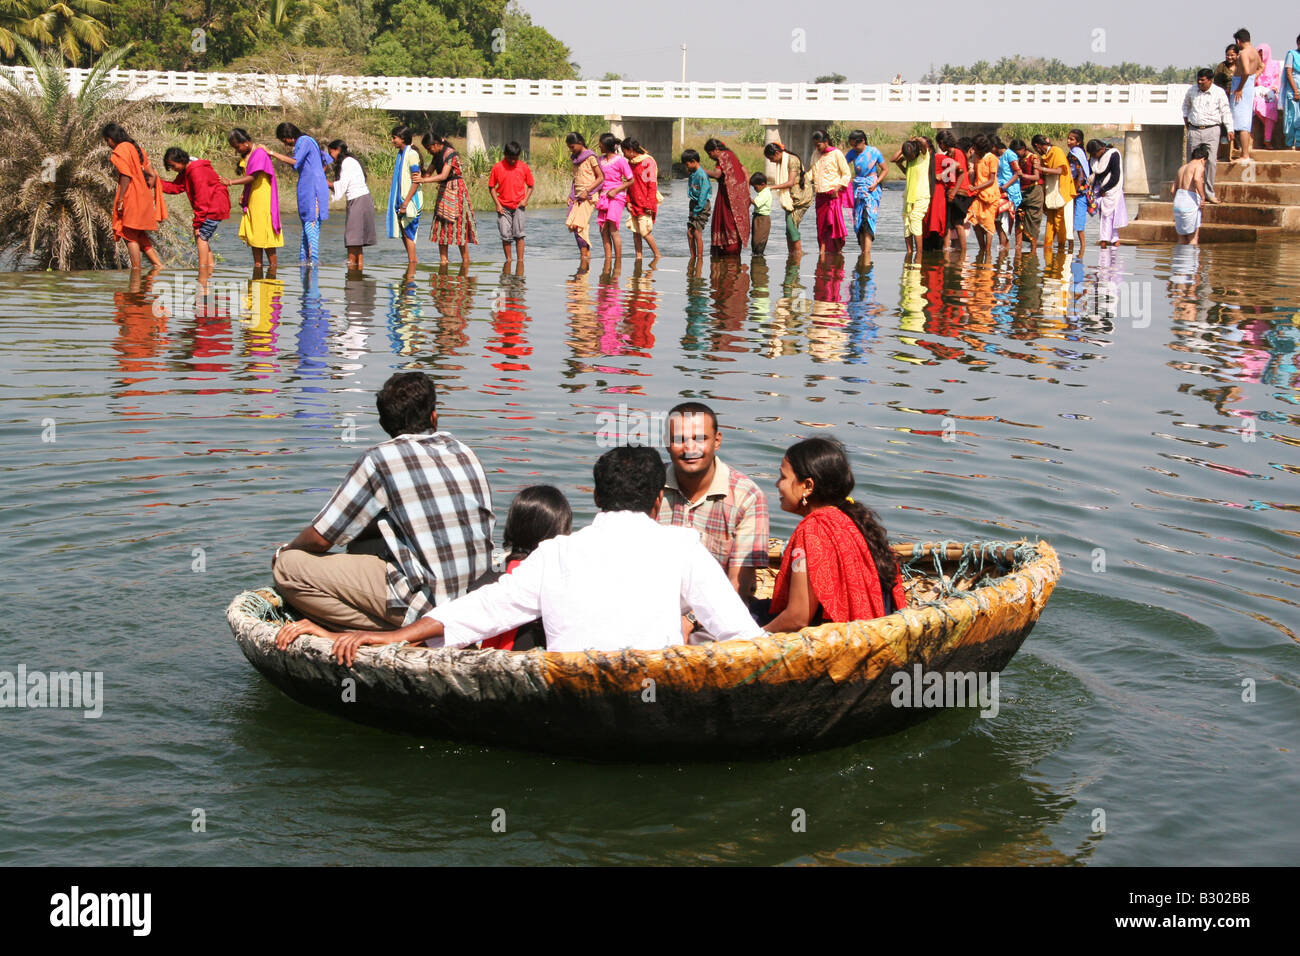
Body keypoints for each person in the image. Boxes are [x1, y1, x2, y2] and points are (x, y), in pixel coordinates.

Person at [278, 445, 763, 662]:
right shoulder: (680, 543)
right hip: (655, 693)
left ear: (594, 499)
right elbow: (740, 634)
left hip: (573, 698)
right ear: (659, 500)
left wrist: (386, 637)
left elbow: (477, 612)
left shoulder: (553, 554)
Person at [270, 371, 495, 632]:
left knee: (288, 569)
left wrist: (287, 551)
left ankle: (389, 631)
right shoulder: (464, 451)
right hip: (477, 597)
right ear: (434, 416)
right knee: (363, 538)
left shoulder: (379, 459)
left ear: (383, 423)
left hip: (431, 604)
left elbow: (323, 536)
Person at [763, 437, 907, 632]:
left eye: (783, 477)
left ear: (807, 486)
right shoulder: (852, 517)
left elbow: (797, 618)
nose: (777, 484)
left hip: (828, 635)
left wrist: (756, 638)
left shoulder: (812, 529)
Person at [657, 402, 770, 603]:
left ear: (717, 441)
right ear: (667, 443)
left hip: (714, 614)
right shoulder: (650, 485)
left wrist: (692, 620)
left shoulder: (747, 496)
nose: (690, 448)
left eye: (700, 439)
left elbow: (739, 585)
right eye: (679, 440)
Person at [476, 486, 572, 651]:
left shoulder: (498, 569)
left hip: (493, 658)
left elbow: (474, 593)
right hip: (532, 659)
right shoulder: (556, 576)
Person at [262, 123, 331, 265]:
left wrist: (271, 153)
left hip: (313, 189)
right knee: (307, 225)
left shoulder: (304, 141)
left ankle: (313, 262)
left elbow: (295, 162)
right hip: (307, 188)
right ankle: (305, 262)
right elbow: (325, 160)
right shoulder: (306, 142)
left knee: (311, 225)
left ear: (288, 137)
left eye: (283, 140)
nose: (285, 144)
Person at [103, 123, 165, 270]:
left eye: (107, 141)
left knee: (129, 234)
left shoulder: (121, 149)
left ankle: (136, 270)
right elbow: (152, 175)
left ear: (111, 138)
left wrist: (121, 198)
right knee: (139, 235)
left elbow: (125, 175)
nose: (107, 144)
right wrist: (144, 188)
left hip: (132, 195)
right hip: (143, 195)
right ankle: (158, 266)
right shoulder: (136, 148)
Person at [222, 128, 281, 276]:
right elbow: (249, 181)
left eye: (237, 147)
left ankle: (273, 270)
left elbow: (254, 177)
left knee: (265, 235)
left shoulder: (259, 153)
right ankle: (258, 267)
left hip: (263, 198)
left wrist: (230, 182)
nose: (236, 151)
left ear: (245, 142)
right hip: (253, 198)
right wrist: (244, 194)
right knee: (255, 234)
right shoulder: (249, 154)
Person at [160, 147, 230, 272]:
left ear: (181, 160)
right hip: (212, 206)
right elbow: (175, 187)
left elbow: (201, 199)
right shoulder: (187, 170)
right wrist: (155, 182)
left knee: (201, 237)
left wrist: (197, 223)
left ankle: (202, 271)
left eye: (173, 165)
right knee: (202, 237)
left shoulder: (196, 171)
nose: (172, 169)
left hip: (214, 206)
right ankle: (209, 269)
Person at [421, 132, 477, 266]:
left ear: (435, 145)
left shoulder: (451, 154)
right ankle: (443, 261)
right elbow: (428, 173)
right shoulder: (436, 156)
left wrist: (424, 180)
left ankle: (465, 261)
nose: (429, 152)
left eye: (429, 148)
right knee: (441, 227)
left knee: (459, 227)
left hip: (456, 193)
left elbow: (443, 175)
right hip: (443, 193)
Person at [1183, 68, 1234, 204]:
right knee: (1191, 161)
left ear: (1210, 80)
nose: (1200, 82)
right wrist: (1187, 123)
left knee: (1211, 161)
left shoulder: (1219, 92)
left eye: (1203, 80)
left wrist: (1229, 128)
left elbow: (1225, 111)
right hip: (1194, 129)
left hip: (1212, 129)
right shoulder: (1192, 91)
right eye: (1198, 80)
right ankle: (1191, 192)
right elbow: (1186, 107)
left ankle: (1209, 192)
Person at [326, 140, 377, 271]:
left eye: (331, 152)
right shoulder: (350, 161)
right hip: (361, 199)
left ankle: (353, 271)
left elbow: (341, 185)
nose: (330, 156)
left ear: (337, 150)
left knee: (352, 239)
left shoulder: (347, 162)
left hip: (358, 200)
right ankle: (357, 271)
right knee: (356, 241)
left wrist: (323, 181)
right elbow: (342, 186)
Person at [487, 141, 534, 267]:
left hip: (519, 206)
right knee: (505, 235)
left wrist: (525, 200)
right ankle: (508, 261)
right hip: (503, 207)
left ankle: (520, 262)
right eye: (510, 158)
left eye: (515, 158)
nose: (513, 161)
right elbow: (491, 187)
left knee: (519, 235)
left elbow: (531, 186)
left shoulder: (523, 167)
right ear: (504, 155)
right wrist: (497, 204)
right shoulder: (497, 167)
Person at [763, 141, 813, 257]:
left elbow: (790, 182)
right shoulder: (783, 161)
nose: (771, 161)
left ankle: (798, 253)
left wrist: (771, 187)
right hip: (790, 199)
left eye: (770, 158)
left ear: (776, 153)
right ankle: (792, 254)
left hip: (801, 198)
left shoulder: (792, 160)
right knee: (789, 229)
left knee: (791, 227)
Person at [844, 129, 887, 262]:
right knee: (859, 222)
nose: (854, 148)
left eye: (856, 145)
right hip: (858, 188)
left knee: (868, 219)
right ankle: (863, 251)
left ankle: (867, 254)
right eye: (852, 146)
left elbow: (885, 169)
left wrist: (877, 182)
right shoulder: (852, 153)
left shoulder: (874, 152)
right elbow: (843, 166)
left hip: (871, 188)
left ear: (862, 141)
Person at [808, 129, 852, 258]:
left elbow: (846, 174)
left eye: (819, 145)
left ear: (826, 142)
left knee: (833, 225)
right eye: (815, 145)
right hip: (820, 196)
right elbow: (812, 172)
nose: (817, 148)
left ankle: (839, 253)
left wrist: (838, 188)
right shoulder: (815, 154)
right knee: (821, 227)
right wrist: (803, 178)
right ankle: (822, 253)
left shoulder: (836, 154)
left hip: (833, 195)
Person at [702, 138, 750, 255]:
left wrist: (702, 170)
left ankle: (727, 250)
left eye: (710, 153)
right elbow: (745, 170)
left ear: (716, 150)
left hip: (727, 197)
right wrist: (746, 190)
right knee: (736, 222)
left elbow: (717, 174)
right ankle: (734, 252)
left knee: (727, 221)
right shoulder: (732, 155)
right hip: (739, 196)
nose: (710, 156)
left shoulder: (722, 156)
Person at [387, 125, 423, 265]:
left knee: (410, 235)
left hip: (409, 202)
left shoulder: (411, 154)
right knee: (405, 235)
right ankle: (410, 266)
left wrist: (406, 202)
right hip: (401, 202)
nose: (392, 140)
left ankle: (412, 267)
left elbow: (416, 180)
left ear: (402, 138)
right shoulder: (401, 154)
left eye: (394, 137)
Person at [594, 132, 633, 262]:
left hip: (617, 197)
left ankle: (618, 260)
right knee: (603, 229)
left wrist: (616, 190)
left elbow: (630, 180)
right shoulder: (599, 160)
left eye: (601, 144)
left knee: (613, 228)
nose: (599, 147)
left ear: (607, 145)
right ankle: (608, 259)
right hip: (603, 197)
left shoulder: (621, 161)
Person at [1034, 134, 1076, 252]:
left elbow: (1060, 170)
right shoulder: (1044, 156)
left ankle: (1062, 250)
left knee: (1060, 221)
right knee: (1050, 222)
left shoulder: (1056, 151)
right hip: (1051, 192)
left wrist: (1041, 169)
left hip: (1062, 191)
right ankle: (1048, 248)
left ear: (1038, 146)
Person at [622, 138, 660, 261]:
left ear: (631, 150)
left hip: (645, 202)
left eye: (624, 152)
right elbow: (628, 183)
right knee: (635, 231)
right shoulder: (630, 163)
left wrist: (649, 205)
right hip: (634, 201)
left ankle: (657, 255)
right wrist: (627, 201)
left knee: (644, 231)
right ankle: (639, 256)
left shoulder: (647, 162)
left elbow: (652, 184)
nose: (624, 155)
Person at [933, 130, 971, 254]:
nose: (939, 147)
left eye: (939, 144)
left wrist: (953, 192)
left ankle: (963, 250)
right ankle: (947, 248)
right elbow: (950, 175)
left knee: (958, 222)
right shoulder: (949, 154)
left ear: (943, 143)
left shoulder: (957, 153)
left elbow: (960, 172)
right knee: (948, 223)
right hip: (951, 190)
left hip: (958, 192)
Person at [565, 132, 601, 262]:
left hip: (589, 196)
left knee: (578, 225)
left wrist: (588, 191)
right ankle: (585, 254)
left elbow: (601, 177)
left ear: (580, 143)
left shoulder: (591, 157)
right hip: (577, 196)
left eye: (572, 147)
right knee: (575, 226)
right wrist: (571, 195)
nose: (571, 150)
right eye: (569, 147)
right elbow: (575, 179)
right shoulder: (575, 158)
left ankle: (584, 255)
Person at [892, 137, 930, 258]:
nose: (908, 158)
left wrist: (916, 139)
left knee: (915, 221)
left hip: (921, 196)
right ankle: (909, 252)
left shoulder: (923, 157)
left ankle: (919, 254)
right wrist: (904, 147)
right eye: (906, 156)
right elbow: (893, 159)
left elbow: (924, 144)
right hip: (908, 196)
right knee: (907, 223)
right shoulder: (909, 160)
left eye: (909, 155)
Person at [1231, 27, 1263, 164]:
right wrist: (1253, 79)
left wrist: (1239, 88)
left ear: (1238, 41)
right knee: (1244, 121)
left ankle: (1244, 154)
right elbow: (1262, 66)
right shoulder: (1255, 52)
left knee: (1241, 123)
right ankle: (1244, 153)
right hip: (1247, 85)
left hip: (1242, 87)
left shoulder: (1244, 53)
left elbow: (1245, 71)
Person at [963, 134, 1000, 255]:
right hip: (978, 194)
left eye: (975, 147)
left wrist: (976, 187)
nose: (974, 149)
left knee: (988, 223)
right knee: (974, 219)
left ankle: (987, 250)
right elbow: (974, 173)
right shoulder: (976, 157)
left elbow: (991, 180)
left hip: (990, 195)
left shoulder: (992, 158)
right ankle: (982, 248)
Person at [1086, 139, 1127, 247]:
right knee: (1104, 217)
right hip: (1100, 191)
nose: (1094, 156)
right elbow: (1094, 174)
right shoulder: (1094, 159)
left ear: (1102, 149)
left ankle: (1107, 241)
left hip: (1111, 191)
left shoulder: (1113, 154)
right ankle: (1110, 241)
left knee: (1111, 217)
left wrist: (1104, 189)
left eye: (1095, 153)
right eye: (1092, 154)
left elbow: (1115, 176)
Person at [1171, 144, 1210, 245]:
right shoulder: (1199, 166)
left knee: (1181, 239)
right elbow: (1197, 179)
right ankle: (1191, 260)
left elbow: (1172, 190)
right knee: (1193, 238)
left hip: (1177, 203)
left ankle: (1179, 260)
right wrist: (1203, 196)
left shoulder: (1182, 168)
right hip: (1190, 201)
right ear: (1203, 159)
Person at [1011, 138, 1042, 254]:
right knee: (1019, 218)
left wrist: (1022, 175)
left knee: (1033, 221)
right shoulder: (1017, 159)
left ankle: (1033, 248)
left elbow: (1036, 177)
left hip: (1034, 192)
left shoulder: (1034, 158)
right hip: (1021, 193)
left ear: (1023, 149)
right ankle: (1018, 247)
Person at [1065, 129, 1092, 254]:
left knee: (1077, 218)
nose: (1068, 141)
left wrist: (1074, 190)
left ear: (1078, 142)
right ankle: (1078, 247)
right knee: (1074, 218)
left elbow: (1080, 175)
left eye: (1072, 139)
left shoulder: (1074, 154)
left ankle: (1081, 248)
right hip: (1080, 189)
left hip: (1078, 191)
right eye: (1068, 138)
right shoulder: (1078, 152)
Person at [683, 148, 712, 258]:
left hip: (702, 205)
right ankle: (693, 257)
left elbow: (703, 195)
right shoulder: (693, 173)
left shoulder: (702, 175)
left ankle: (699, 258)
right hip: (694, 204)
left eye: (687, 165)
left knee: (696, 232)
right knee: (690, 233)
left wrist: (697, 210)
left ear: (693, 161)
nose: (686, 168)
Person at [993, 137, 1022, 246]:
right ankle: (1004, 246)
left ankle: (1005, 247)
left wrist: (1005, 186)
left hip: (1010, 192)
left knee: (1005, 221)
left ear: (995, 147)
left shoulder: (1009, 155)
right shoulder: (998, 157)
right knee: (1000, 221)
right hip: (1001, 192)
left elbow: (1018, 173)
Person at [1254, 43, 1283, 148]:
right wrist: (1259, 70)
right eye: (1259, 55)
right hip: (1258, 93)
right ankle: (1266, 135)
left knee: (1270, 109)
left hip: (1270, 94)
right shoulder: (1255, 66)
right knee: (1256, 103)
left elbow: (1277, 81)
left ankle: (1267, 139)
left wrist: (1273, 89)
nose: (1261, 57)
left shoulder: (1275, 65)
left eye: (1262, 55)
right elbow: (1253, 81)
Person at [749, 172, 772, 255]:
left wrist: (748, 197)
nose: (755, 189)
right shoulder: (762, 192)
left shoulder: (765, 193)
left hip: (763, 219)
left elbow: (756, 203)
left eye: (755, 187)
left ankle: (759, 257)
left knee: (759, 240)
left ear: (762, 184)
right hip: (758, 217)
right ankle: (757, 256)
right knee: (755, 239)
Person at [1286, 35, 1300, 149]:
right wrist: (1296, 90)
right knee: (1292, 117)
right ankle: (1290, 143)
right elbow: (1289, 72)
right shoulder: (1292, 54)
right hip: (1294, 90)